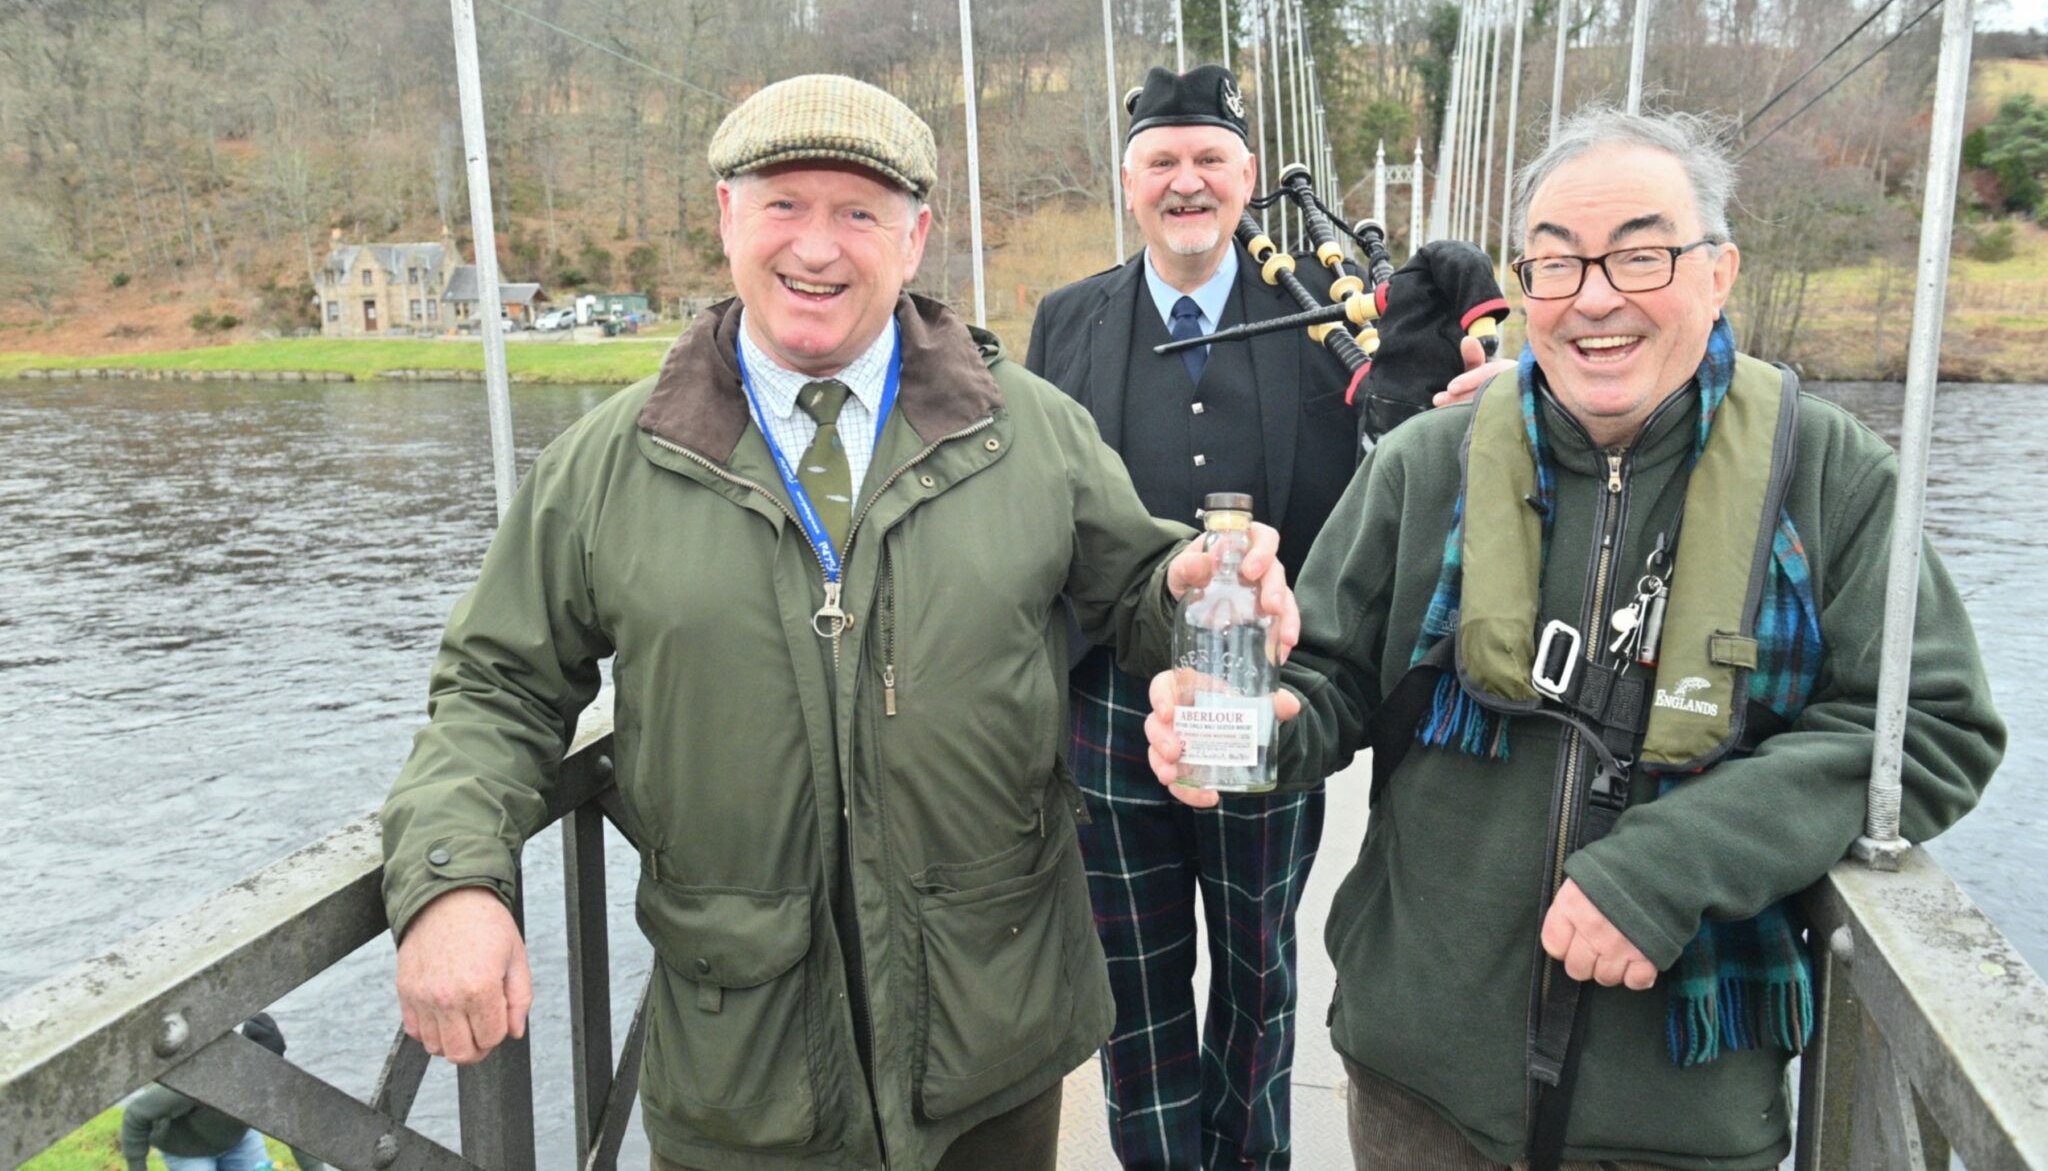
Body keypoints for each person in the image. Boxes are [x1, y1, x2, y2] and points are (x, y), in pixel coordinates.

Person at [378, 73, 1300, 1171]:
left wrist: (1196, 583)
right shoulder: (610, 463)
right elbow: (497, 686)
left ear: (913, 240)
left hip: (988, 1051)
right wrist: (451, 880)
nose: (815, 248)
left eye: (857, 213)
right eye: (782, 205)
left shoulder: (1029, 433)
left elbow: (1136, 589)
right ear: (725, 219)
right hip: (743, 1071)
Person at [1144, 106, 2006, 1169]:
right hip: (1420, 1084)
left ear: (1717, 272)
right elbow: (1324, 688)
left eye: (1640, 256)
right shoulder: (1422, 466)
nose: (1594, 299)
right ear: (1522, 290)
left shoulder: (1828, 479)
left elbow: (1930, 728)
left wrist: (1671, 866)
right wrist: (1251, 731)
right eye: (1554, 266)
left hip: (1676, 1116)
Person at [1023, 63, 1361, 1168]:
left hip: (1267, 700)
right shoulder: (1065, 320)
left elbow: (1392, 465)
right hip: (1106, 705)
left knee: (1260, 971)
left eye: (1208, 158)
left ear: (1246, 177)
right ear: (1127, 182)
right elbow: (1029, 510)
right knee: (1136, 978)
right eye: (1161, 161)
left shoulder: (1323, 318)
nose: (1185, 181)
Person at [120, 1013, 323, 1171]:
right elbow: (136, 1114)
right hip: (186, 1149)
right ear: (249, 1063)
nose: (270, 1079)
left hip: (238, 1140)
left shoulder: (271, 1081)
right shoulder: (201, 1082)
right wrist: (138, 1167)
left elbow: (294, 1130)